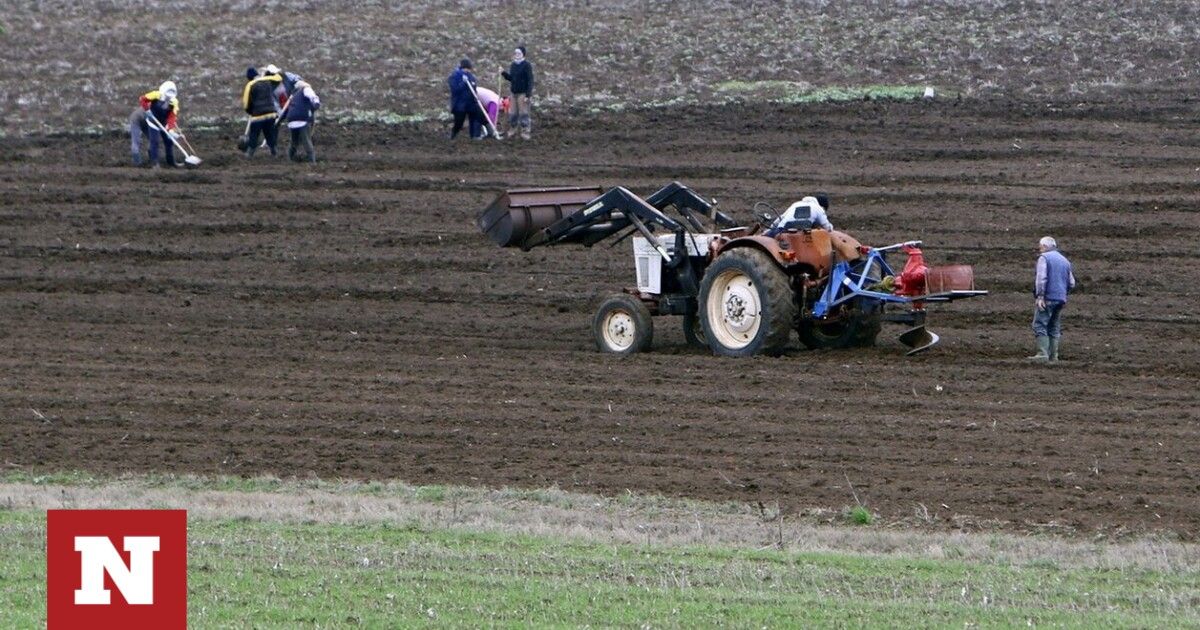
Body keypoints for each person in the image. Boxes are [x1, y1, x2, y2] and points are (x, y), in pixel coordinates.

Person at [1029, 236, 1076, 362]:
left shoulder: (1044, 258)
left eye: (1040, 246)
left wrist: (1040, 296)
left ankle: (1042, 353)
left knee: (1039, 324)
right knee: (1054, 326)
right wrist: (1062, 293)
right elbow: (1072, 282)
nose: (1039, 249)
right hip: (1060, 298)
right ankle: (1053, 356)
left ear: (1044, 246)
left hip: (1048, 297)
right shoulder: (1065, 261)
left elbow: (1041, 279)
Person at [130, 81, 180, 167]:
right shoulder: (156, 95)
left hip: (160, 122)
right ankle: (139, 163)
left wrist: (171, 129)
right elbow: (142, 99)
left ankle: (170, 162)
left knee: (168, 141)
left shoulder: (174, 102)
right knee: (141, 141)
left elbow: (172, 117)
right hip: (142, 121)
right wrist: (148, 111)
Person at [242, 66, 283, 157]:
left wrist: (250, 111)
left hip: (258, 115)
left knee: (254, 135)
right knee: (269, 134)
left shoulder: (250, 85)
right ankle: (274, 153)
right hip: (271, 113)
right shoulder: (267, 81)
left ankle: (249, 154)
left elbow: (245, 103)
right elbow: (278, 78)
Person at [501, 46, 534, 140]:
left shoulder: (527, 65)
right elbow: (512, 79)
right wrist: (503, 73)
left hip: (523, 93)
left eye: (519, 53)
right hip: (514, 93)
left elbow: (530, 80)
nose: (517, 55)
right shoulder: (513, 65)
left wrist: (528, 94)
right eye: (516, 53)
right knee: (513, 113)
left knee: (524, 113)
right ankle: (512, 130)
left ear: (523, 54)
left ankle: (525, 132)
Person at [447, 58, 484, 140]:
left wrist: (475, 98)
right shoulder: (454, 76)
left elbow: (474, 88)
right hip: (459, 104)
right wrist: (463, 83)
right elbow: (455, 90)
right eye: (465, 69)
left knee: (476, 117)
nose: (467, 71)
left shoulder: (471, 77)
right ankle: (453, 134)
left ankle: (475, 135)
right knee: (459, 122)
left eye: (468, 69)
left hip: (471, 103)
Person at [286, 80, 321, 163]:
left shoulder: (293, 95)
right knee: (306, 140)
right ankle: (312, 160)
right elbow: (314, 98)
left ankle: (290, 158)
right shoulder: (306, 89)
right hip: (301, 118)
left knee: (294, 141)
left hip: (291, 119)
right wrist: (316, 104)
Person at [767, 194, 833, 234]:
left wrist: (770, 229)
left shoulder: (796, 204)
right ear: (823, 207)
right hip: (799, 236)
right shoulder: (819, 208)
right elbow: (827, 227)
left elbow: (781, 217)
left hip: (781, 229)